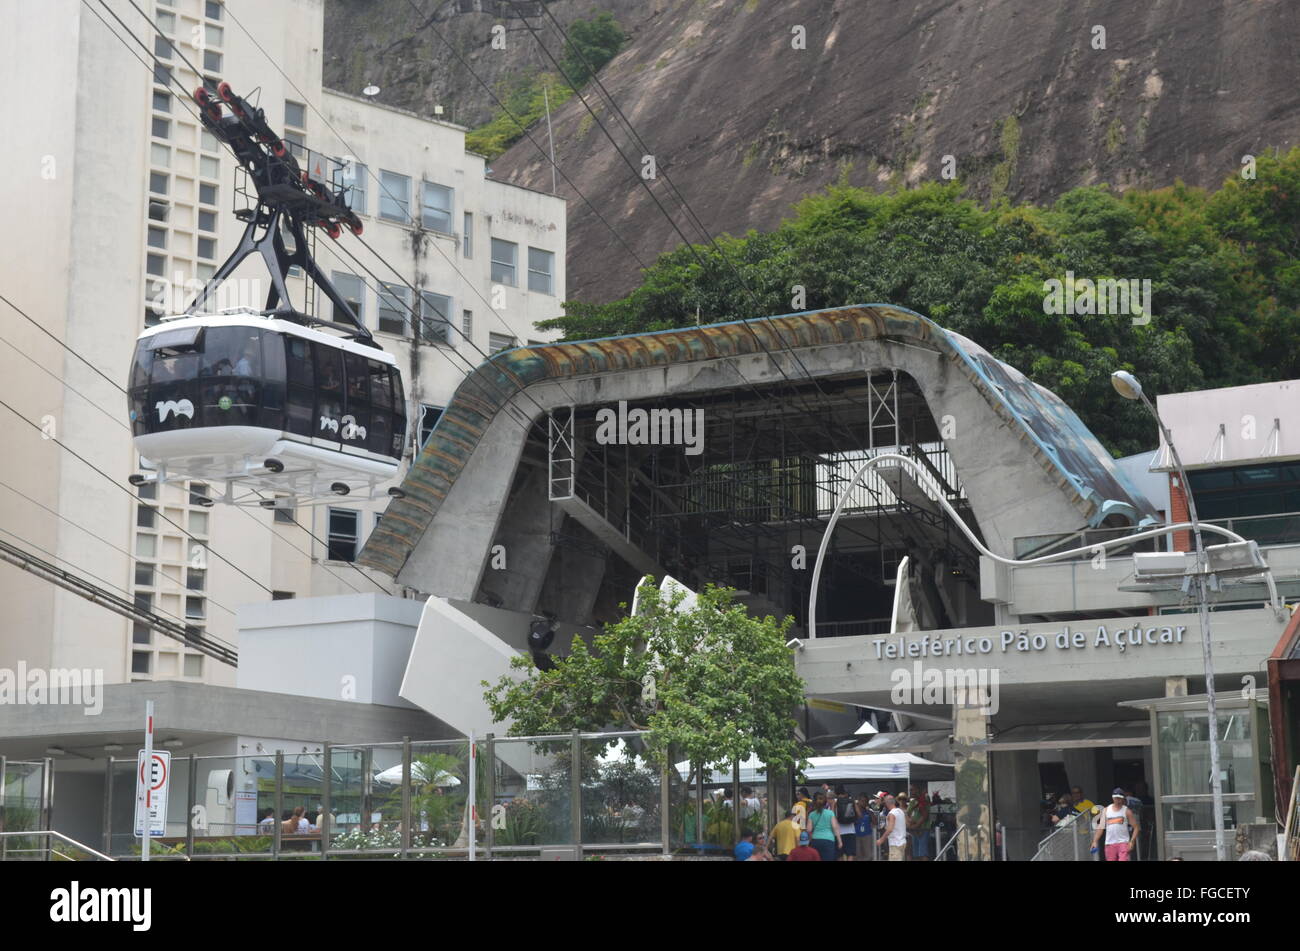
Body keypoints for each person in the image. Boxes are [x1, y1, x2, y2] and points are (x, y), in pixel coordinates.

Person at [1091, 789, 1139, 862]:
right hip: (1110, 843)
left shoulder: (1127, 811)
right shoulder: (1106, 810)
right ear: (1113, 798)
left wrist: (1132, 841)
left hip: (1123, 842)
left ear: (1123, 798)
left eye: (1120, 798)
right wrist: (1094, 841)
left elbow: (1136, 827)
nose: (1118, 800)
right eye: (1116, 798)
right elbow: (1100, 828)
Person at [806, 791, 841, 862]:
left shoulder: (811, 814)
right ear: (825, 803)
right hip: (828, 841)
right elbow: (835, 827)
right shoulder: (830, 813)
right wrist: (840, 841)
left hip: (815, 840)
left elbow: (809, 829)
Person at [877, 794, 908, 861]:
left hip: (895, 843)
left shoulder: (891, 814)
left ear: (887, 803)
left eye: (885, 803)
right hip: (902, 842)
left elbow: (890, 829)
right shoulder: (900, 811)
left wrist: (881, 840)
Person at [906, 784, 932, 861]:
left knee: (923, 853)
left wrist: (916, 826)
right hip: (914, 831)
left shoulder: (924, 800)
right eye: (910, 790)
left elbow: (925, 816)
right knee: (916, 854)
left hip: (922, 830)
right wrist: (910, 823)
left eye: (912, 790)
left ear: (918, 790)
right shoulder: (913, 802)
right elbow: (908, 814)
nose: (910, 792)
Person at [833, 785, 858, 860]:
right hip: (850, 831)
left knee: (839, 855)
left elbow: (832, 816)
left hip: (839, 833)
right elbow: (859, 814)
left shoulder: (835, 802)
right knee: (850, 854)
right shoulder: (851, 800)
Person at [854, 794, 874, 860]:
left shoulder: (869, 812)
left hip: (867, 836)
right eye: (862, 801)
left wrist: (869, 812)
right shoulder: (854, 812)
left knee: (868, 856)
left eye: (866, 801)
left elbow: (875, 822)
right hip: (856, 835)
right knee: (858, 855)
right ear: (858, 801)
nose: (864, 803)